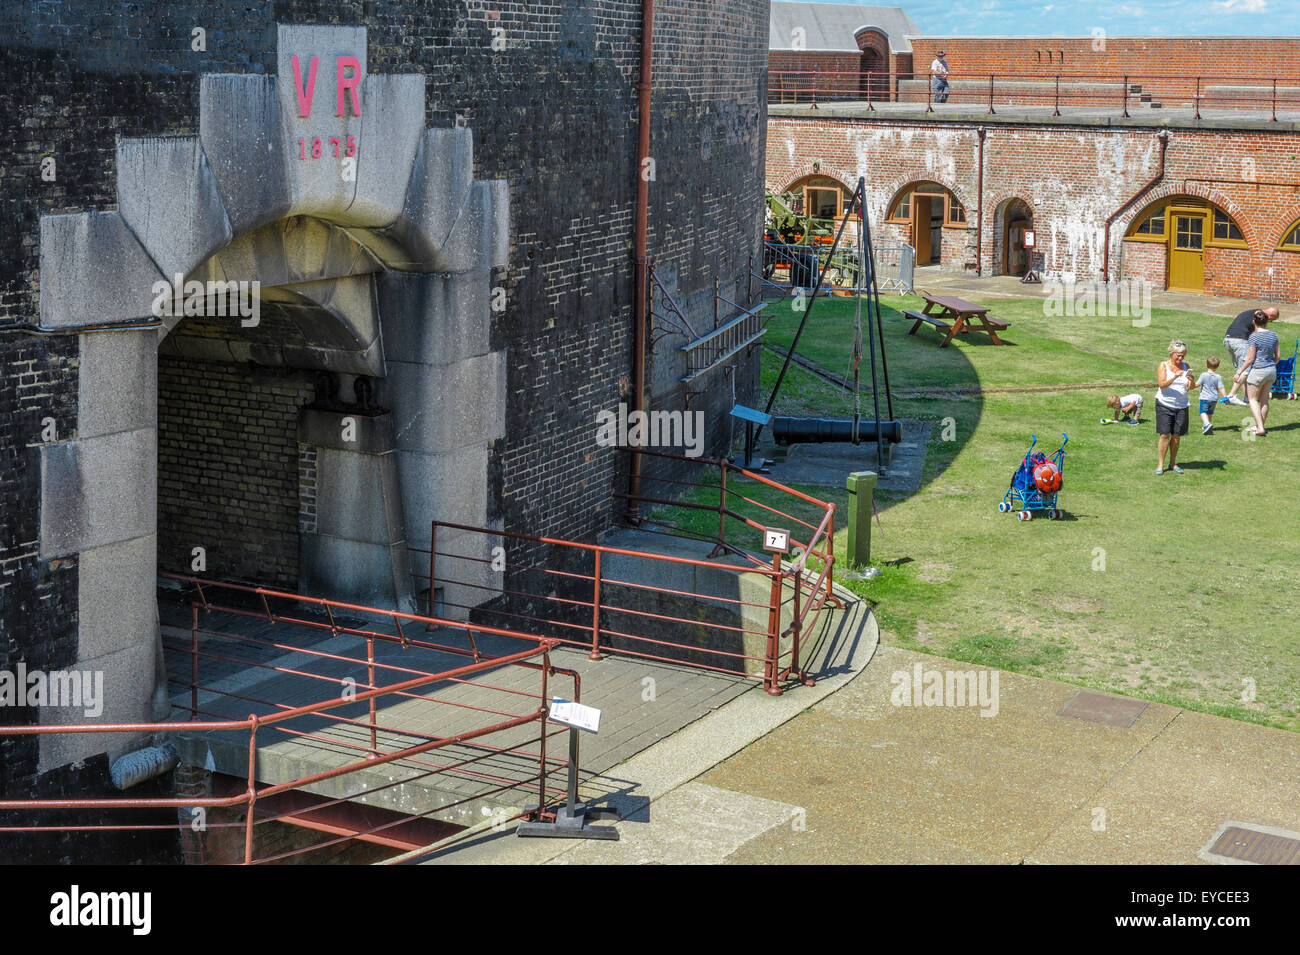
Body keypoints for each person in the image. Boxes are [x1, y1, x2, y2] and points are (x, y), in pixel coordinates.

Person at [1234, 309, 1281, 436]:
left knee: (1253, 399)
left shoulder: (1253, 336)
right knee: (1264, 401)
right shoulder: (1273, 335)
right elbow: (1278, 357)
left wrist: (1239, 372)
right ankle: (1259, 426)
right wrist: (1270, 365)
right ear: (1267, 321)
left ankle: (1260, 427)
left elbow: (1250, 359)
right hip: (1271, 371)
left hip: (1258, 372)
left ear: (1254, 321)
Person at [1154, 339, 1193, 474]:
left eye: (1183, 355)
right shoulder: (1163, 365)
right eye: (1178, 355)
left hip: (1182, 405)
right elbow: (1162, 384)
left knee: (1176, 436)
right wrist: (1174, 377)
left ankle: (1172, 463)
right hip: (1164, 404)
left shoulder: (1186, 366)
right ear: (1172, 353)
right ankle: (1160, 465)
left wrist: (1191, 381)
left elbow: (1189, 388)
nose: (1181, 358)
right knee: (1165, 434)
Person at [1222, 307, 1274, 403]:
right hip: (1239, 340)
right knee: (1246, 370)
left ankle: (1247, 397)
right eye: (1271, 320)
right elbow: (1258, 331)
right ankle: (1231, 396)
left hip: (1229, 339)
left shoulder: (1254, 311)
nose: (1269, 322)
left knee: (1241, 370)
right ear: (1270, 316)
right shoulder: (1259, 313)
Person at [1196, 356, 1226, 434]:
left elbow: (1197, 384)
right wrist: (1225, 397)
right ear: (1217, 366)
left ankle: (1207, 424)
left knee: (1202, 412)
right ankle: (1207, 427)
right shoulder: (1218, 377)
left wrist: (1190, 385)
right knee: (1209, 413)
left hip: (1204, 398)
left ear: (1206, 364)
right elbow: (1221, 388)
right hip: (1214, 399)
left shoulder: (1203, 375)